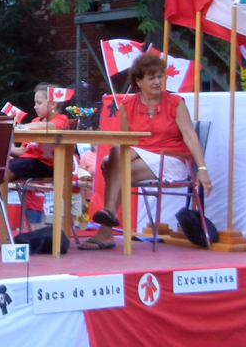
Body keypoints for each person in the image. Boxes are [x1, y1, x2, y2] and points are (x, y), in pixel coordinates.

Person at [87, 52, 213, 250]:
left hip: (171, 159)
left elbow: (190, 136)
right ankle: (108, 219)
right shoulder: (127, 105)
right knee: (118, 153)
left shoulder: (175, 102)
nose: (157, 81)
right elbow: (124, 140)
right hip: (140, 156)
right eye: (151, 77)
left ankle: (107, 222)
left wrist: (202, 167)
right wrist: (110, 159)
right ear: (138, 80)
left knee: (116, 169)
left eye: (160, 76)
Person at [0, 82, 69, 247]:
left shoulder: (61, 120)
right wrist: (2, 146)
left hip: (45, 164)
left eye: (39, 103)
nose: (35, 106)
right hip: (27, 162)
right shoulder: (35, 120)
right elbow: (21, 151)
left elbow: (48, 127)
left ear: (53, 104)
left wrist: (21, 126)